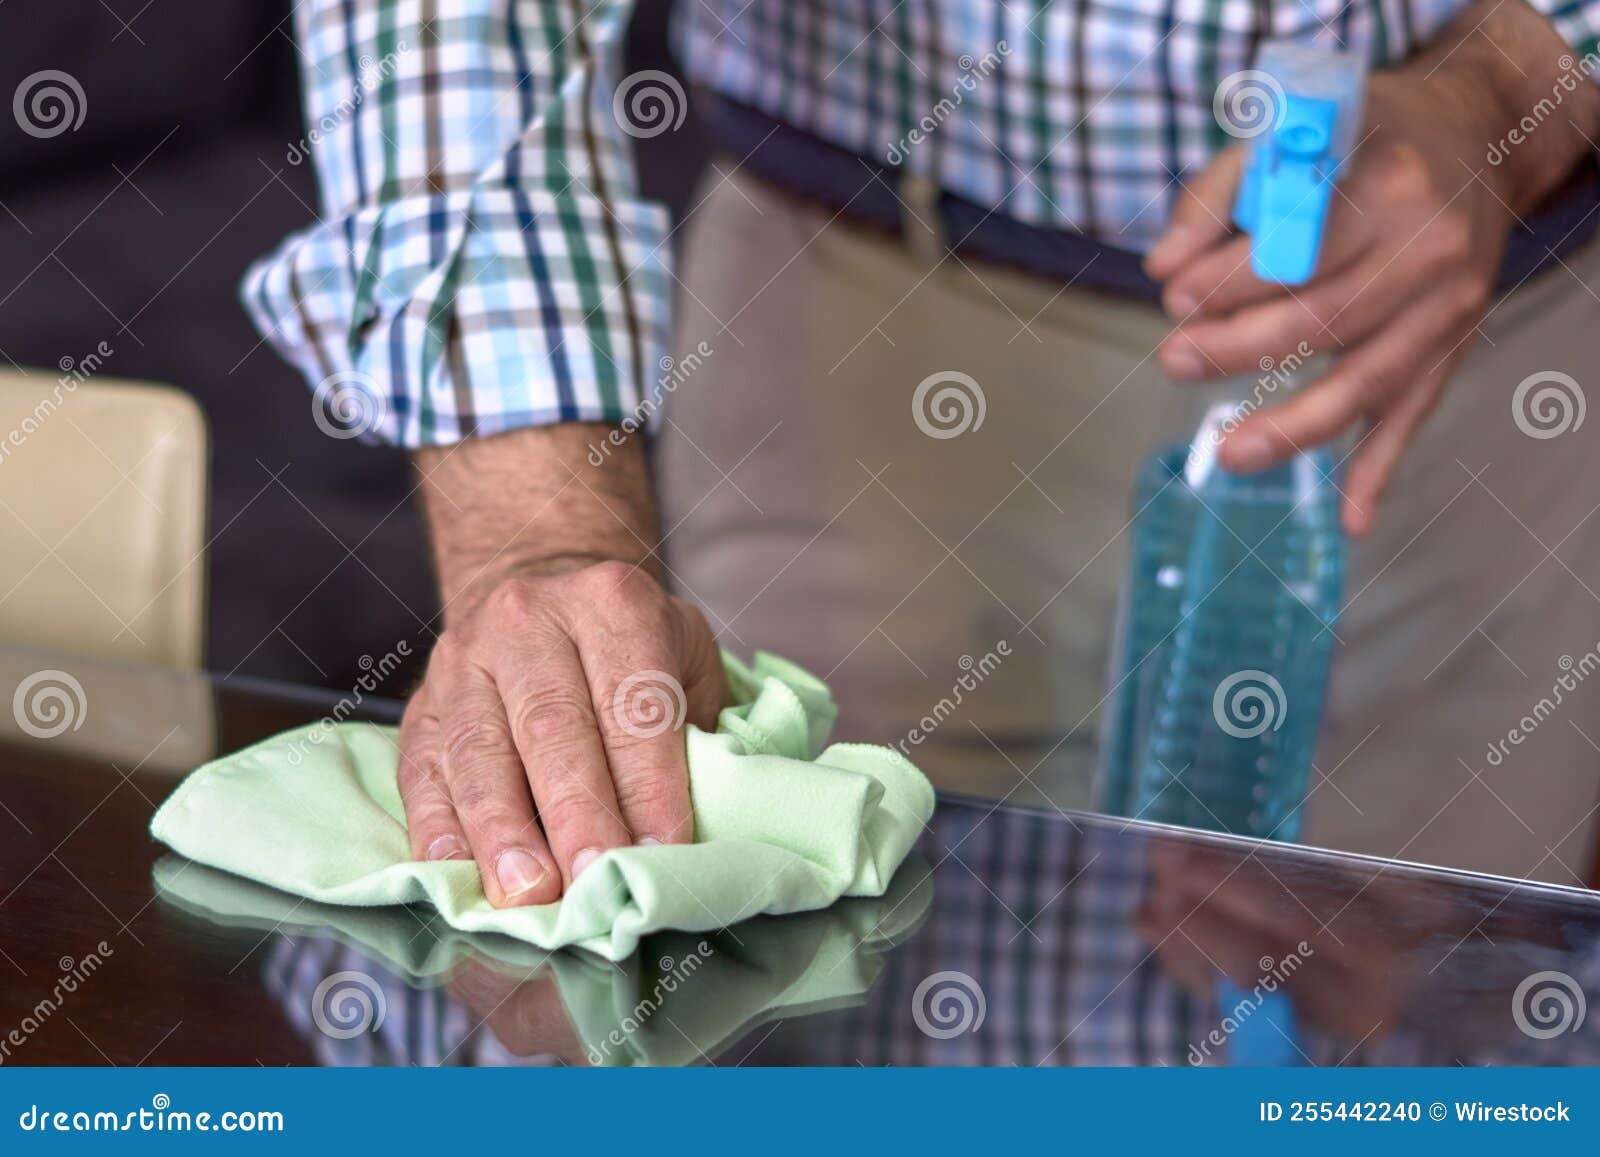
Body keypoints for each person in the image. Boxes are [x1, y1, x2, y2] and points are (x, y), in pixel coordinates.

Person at [246, 0, 1600, 903]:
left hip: (1446, 364)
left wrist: (1516, 75)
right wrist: (537, 536)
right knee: (781, 1010)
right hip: (852, 360)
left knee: (1388, 1041)